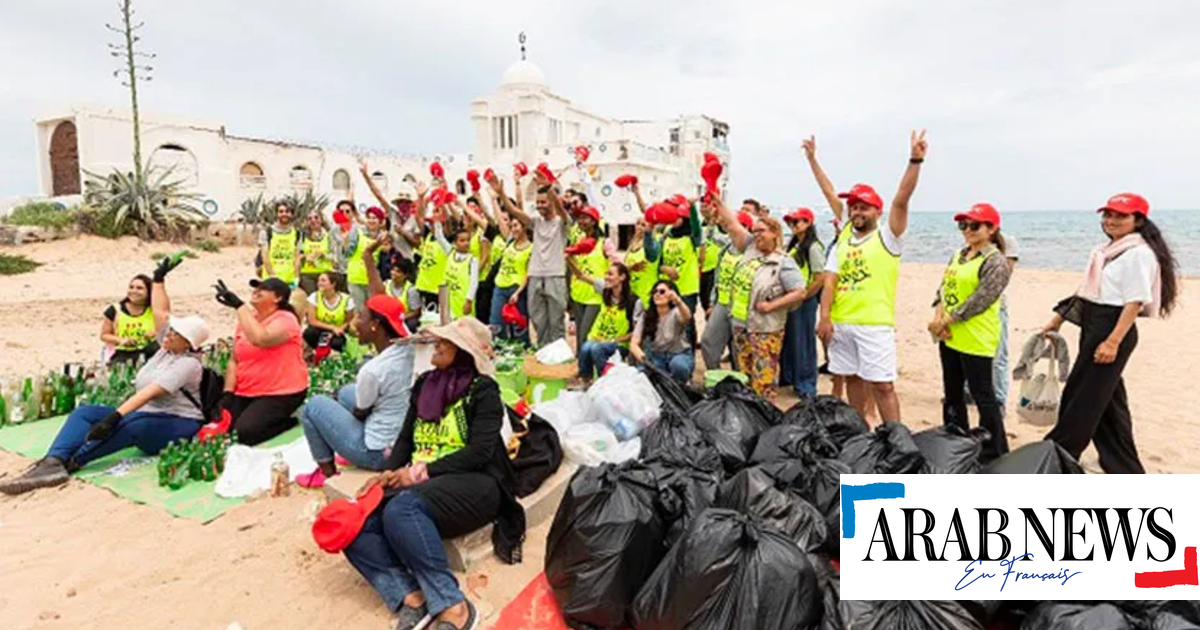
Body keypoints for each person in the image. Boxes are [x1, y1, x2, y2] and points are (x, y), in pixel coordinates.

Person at [343, 317, 524, 630]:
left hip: (476, 483)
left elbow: (479, 453)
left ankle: (454, 605)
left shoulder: (484, 391)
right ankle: (411, 597)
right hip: (426, 483)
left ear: (465, 351)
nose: (436, 345)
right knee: (353, 521)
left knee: (402, 508)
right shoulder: (426, 383)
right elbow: (406, 436)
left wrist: (417, 473)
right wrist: (387, 472)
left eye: (446, 341)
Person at [2, 257, 207, 494]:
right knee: (85, 412)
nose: (168, 333)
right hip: (149, 415)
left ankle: (73, 462)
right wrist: (159, 279)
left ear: (188, 342)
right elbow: (162, 312)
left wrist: (114, 417)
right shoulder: (166, 348)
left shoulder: (188, 364)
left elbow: (150, 392)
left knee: (130, 422)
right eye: (170, 330)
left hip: (178, 424)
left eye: (175, 332)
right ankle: (53, 461)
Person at [1042, 193, 1178, 474]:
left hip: (1112, 329)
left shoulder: (1139, 253)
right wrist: (1057, 319)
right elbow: (1088, 292)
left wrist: (1112, 341)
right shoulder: (1107, 251)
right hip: (1095, 325)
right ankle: (1125, 469)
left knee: (1081, 399)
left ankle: (1056, 458)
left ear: (1138, 220)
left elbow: (1134, 301)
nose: (1111, 220)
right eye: (1108, 215)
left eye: (1120, 216)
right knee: (1108, 408)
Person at [814, 131, 926, 424]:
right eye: (853, 207)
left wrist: (915, 160)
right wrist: (824, 316)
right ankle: (860, 430)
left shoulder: (889, 236)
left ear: (877, 209)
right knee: (851, 378)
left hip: (874, 325)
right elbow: (830, 279)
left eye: (863, 206)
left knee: (882, 385)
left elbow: (902, 199)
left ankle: (895, 435)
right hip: (842, 322)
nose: (856, 211)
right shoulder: (846, 236)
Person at [297, 295, 414, 488]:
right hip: (402, 439)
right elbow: (384, 300)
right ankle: (344, 439)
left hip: (377, 453)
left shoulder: (373, 370)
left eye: (360, 317)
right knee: (346, 392)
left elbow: (361, 410)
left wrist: (351, 416)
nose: (355, 323)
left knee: (314, 406)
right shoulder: (408, 345)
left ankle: (328, 474)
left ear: (376, 325)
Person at [928, 203, 1012, 462]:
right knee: (952, 391)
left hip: (975, 336)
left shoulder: (995, 260)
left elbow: (982, 298)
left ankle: (995, 449)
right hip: (950, 335)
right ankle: (955, 438)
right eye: (963, 225)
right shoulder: (959, 255)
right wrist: (938, 316)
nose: (968, 230)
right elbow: (944, 288)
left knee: (982, 394)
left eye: (975, 225)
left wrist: (949, 319)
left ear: (992, 228)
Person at [716, 204, 807, 402]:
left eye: (762, 231)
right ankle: (750, 417)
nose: (757, 235)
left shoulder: (783, 262)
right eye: (754, 231)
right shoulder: (750, 250)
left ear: (775, 233)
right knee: (745, 376)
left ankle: (765, 417)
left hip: (765, 329)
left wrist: (770, 306)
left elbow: (799, 292)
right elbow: (732, 224)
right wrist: (716, 198)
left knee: (763, 379)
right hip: (741, 325)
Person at [212, 277, 310, 445]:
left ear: (278, 298)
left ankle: (289, 421)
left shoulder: (286, 320)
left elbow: (261, 339)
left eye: (263, 289)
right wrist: (228, 393)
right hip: (247, 390)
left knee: (245, 433)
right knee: (223, 426)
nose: (256, 291)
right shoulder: (249, 319)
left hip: (281, 392)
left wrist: (240, 307)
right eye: (255, 288)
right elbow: (234, 360)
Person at [491, 174, 570, 348]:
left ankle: (558, 354)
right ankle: (543, 350)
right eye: (538, 202)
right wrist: (501, 194)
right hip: (535, 276)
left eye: (544, 202)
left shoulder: (561, 223)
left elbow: (562, 211)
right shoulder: (536, 223)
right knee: (538, 319)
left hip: (555, 276)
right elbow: (515, 212)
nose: (540, 206)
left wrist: (549, 188)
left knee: (556, 320)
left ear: (551, 201)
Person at [779, 208, 827, 396]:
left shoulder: (813, 247)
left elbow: (820, 277)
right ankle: (789, 376)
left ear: (808, 223)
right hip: (790, 299)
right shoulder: (794, 245)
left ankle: (806, 384)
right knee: (789, 340)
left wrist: (805, 295)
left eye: (798, 221)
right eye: (791, 222)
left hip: (803, 301)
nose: (794, 225)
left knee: (803, 342)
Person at [700, 211, 753, 371]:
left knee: (739, 349)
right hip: (722, 304)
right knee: (708, 341)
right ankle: (716, 377)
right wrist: (712, 303)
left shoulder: (752, 250)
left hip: (743, 309)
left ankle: (741, 383)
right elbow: (718, 278)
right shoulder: (726, 248)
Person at [572, 261, 638, 382]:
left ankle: (607, 380)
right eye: (606, 274)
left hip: (619, 344)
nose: (606, 277)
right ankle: (586, 380)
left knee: (596, 349)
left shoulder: (633, 302)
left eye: (610, 274)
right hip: (597, 339)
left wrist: (612, 340)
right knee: (586, 347)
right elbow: (581, 276)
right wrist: (567, 259)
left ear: (622, 277)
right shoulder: (605, 290)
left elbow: (636, 333)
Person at [630, 280, 694, 384]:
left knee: (678, 366)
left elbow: (687, 317)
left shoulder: (676, 312)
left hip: (678, 354)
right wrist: (645, 360)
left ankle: (682, 386)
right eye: (655, 292)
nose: (657, 294)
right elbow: (634, 344)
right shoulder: (646, 315)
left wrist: (678, 301)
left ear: (671, 294)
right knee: (643, 376)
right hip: (656, 357)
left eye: (662, 291)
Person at [567, 206, 609, 357]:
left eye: (585, 218)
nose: (581, 221)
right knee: (579, 334)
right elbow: (575, 268)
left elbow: (614, 264)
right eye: (580, 218)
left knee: (586, 333)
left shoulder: (604, 244)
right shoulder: (578, 241)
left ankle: (588, 368)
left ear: (594, 221)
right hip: (578, 292)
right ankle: (581, 365)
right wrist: (568, 257)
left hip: (595, 295)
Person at [101, 274, 162, 365]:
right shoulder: (115, 310)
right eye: (131, 287)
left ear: (149, 291)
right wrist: (121, 340)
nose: (134, 291)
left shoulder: (155, 310)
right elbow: (104, 335)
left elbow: (167, 330)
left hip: (150, 352)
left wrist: (155, 333)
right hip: (123, 354)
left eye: (139, 288)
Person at [489, 214, 533, 344]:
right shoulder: (509, 242)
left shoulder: (531, 248)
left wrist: (517, 292)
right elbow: (499, 219)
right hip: (500, 287)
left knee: (519, 325)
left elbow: (528, 273)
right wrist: (494, 199)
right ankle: (500, 347)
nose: (513, 229)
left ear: (524, 227)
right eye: (511, 226)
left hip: (517, 290)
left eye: (516, 226)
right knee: (496, 322)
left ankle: (522, 350)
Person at [436, 218, 480, 320]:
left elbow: (474, 282)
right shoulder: (450, 252)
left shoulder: (472, 260)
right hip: (448, 299)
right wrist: (437, 220)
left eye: (468, 240)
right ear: (455, 242)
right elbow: (439, 237)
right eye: (462, 240)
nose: (466, 243)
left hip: (463, 300)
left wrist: (469, 300)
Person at [345, 206, 388, 309]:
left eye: (374, 218)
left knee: (373, 310)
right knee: (360, 310)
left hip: (372, 280)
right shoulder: (357, 232)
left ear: (380, 221)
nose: (371, 220)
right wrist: (345, 244)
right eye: (369, 217)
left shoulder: (383, 236)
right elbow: (347, 253)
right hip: (355, 277)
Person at [303, 272, 357, 353]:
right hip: (320, 329)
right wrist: (332, 328)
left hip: (338, 331)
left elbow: (349, 320)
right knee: (309, 333)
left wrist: (340, 329)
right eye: (318, 281)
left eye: (323, 281)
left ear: (333, 284)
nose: (319, 283)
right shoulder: (314, 297)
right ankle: (317, 352)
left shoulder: (347, 299)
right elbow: (312, 321)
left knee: (337, 343)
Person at [258, 201, 300, 286]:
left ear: (291, 214)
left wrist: (296, 278)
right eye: (281, 211)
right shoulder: (266, 232)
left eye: (287, 211)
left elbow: (297, 258)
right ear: (277, 214)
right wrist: (273, 277)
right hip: (270, 279)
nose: (284, 214)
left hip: (289, 280)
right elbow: (265, 257)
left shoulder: (297, 233)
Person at [298, 210, 338, 296]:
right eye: (310, 218)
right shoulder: (303, 236)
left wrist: (323, 255)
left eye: (316, 217)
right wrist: (305, 257)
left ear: (321, 219)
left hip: (325, 274)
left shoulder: (329, 235)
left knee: (325, 299)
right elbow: (297, 254)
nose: (313, 220)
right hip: (307, 275)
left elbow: (335, 256)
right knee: (312, 300)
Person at [624, 215, 660, 308]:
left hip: (647, 289)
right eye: (637, 224)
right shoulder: (632, 243)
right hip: (632, 290)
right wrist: (631, 267)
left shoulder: (652, 244)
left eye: (643, 225)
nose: (639, 227)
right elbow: (624, 267)